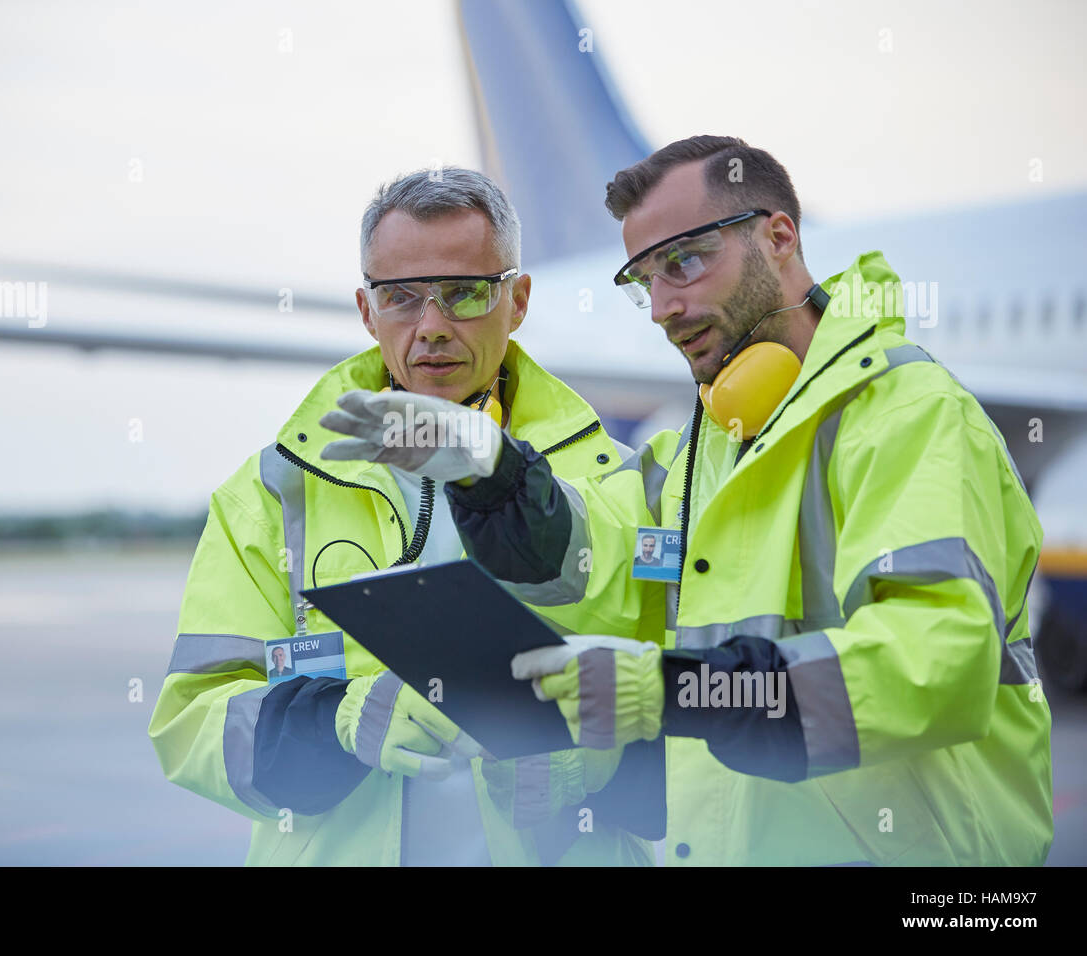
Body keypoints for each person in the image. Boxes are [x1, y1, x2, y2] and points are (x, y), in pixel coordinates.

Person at [320, 137, 1054, 866]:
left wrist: (673, 691)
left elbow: (937, 667)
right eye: (644, 279)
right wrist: (490, 468)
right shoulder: (705, 451)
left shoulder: (907, 416)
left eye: (686, 261)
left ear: (779, 238)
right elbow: (591, 560)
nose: (662, 308)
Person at [148, 167, 659, 866]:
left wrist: (594, 766)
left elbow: (692, 703)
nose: (433, 328)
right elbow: (190, 725)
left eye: (465, 294)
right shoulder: (274, 491)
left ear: (518, 300)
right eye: (402, 298)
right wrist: (336, 726)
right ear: (365, 309)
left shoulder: (617, 483)